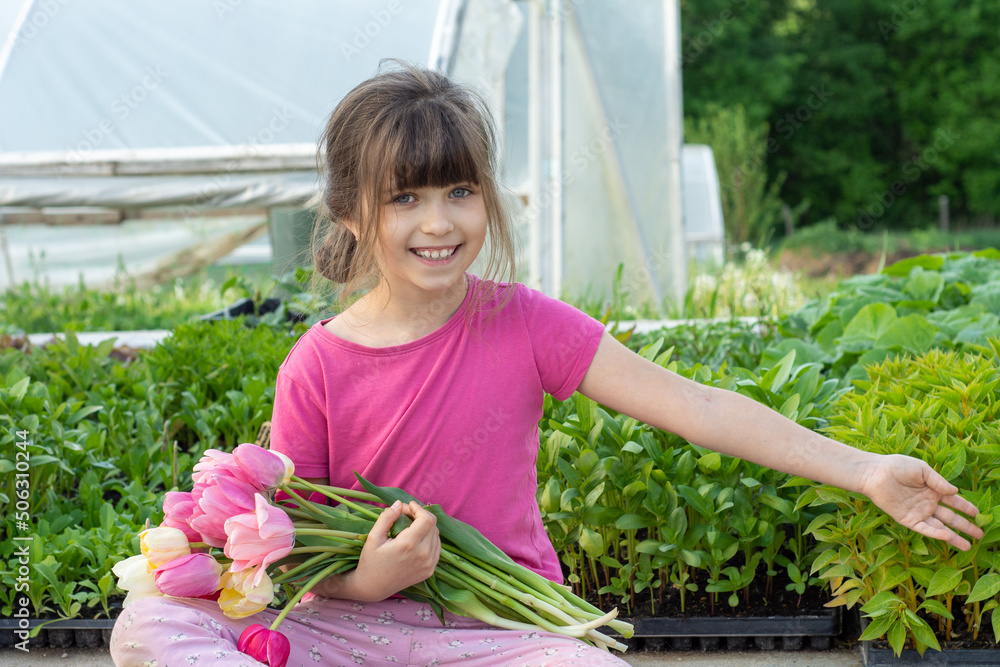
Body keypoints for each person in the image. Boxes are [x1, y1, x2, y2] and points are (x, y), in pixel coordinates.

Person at [110, 62, 983, 667]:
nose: (439, 222)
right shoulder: (318, 366)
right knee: (147, 621)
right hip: (356, 634)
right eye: (405, 197)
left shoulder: (524, 324)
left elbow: (700, 406)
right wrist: (372, 575)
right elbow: (293, 551)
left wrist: (864, 468)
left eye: (460, 191)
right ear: (349, 212)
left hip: (503, 626)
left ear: (488, 193)